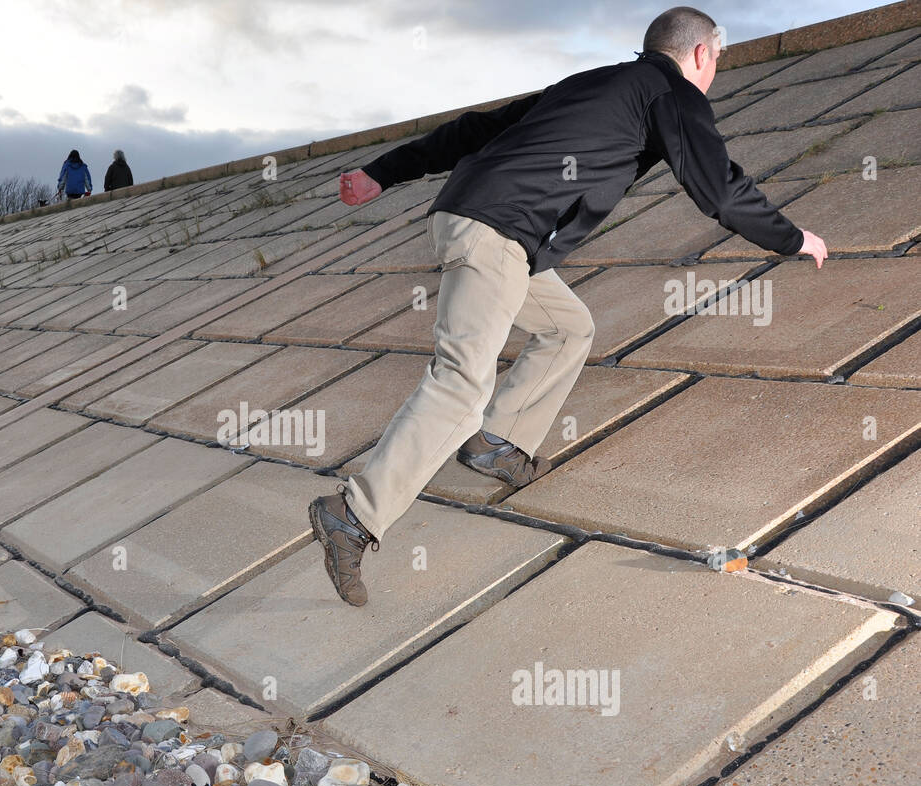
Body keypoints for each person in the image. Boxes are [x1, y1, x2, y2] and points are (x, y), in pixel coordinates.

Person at [308, 6, 828, 607]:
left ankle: (497, 442)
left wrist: (381, 171)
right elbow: (717, 187)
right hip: (497, 229)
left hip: (488, 224)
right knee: (459, 383)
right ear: (702, 54)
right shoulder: (671, 92)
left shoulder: (591, 83)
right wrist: (794, 238)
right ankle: (353, 514)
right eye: (716, 63)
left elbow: (475, 129)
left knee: (566, 328)